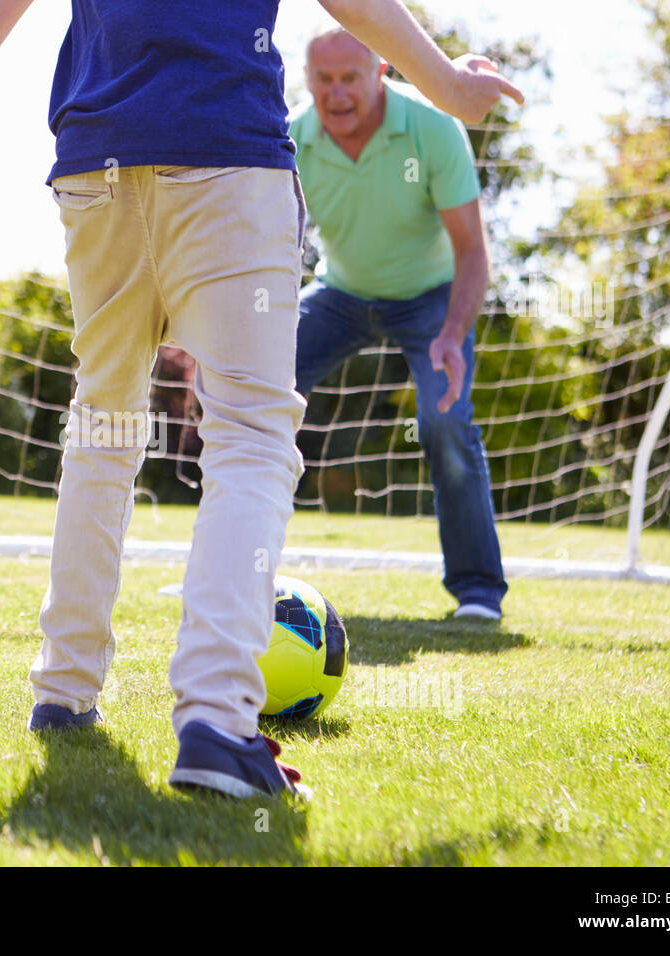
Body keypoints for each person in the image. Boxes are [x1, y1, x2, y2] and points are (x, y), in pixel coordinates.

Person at [0, 0, 523, 799]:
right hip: (226, 163)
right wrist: (449, 81)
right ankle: (216, 721)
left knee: (103, 428)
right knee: (249, 438)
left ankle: (63, 693)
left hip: (95, 168)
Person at [292, 28, 509, 620]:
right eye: (324, 80)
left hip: (430, 299)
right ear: (307, 80)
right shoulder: (290, 139)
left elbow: (472, 252)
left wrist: (450, 331)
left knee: (443, 417)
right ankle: (227, 573)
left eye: (350, 78)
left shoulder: (434, 127)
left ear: (381, 70)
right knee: (247, 395)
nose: (336, 94)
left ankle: (478, 592)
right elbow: (264, 243)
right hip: (340, 291)